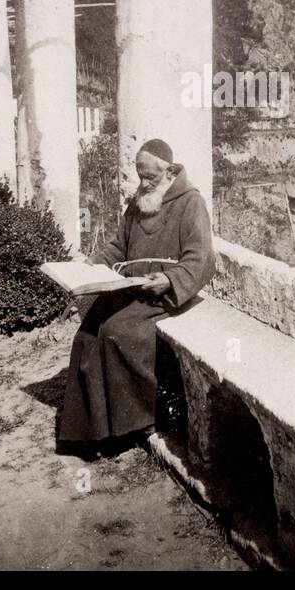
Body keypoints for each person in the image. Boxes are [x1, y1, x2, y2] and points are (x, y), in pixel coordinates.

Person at [56, 138, 215, 456]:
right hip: (133, 291)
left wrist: (169, 280)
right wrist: (92, 266)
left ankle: (135, 424)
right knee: (88, 332)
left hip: (165, 297)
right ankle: (88, 430)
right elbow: (118, 246)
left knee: (117, 333)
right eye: (140, 176)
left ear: (169, 172)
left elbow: (201, 259)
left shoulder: (191, 203)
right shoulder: (140, 201)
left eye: (150, 178)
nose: (143, 184)